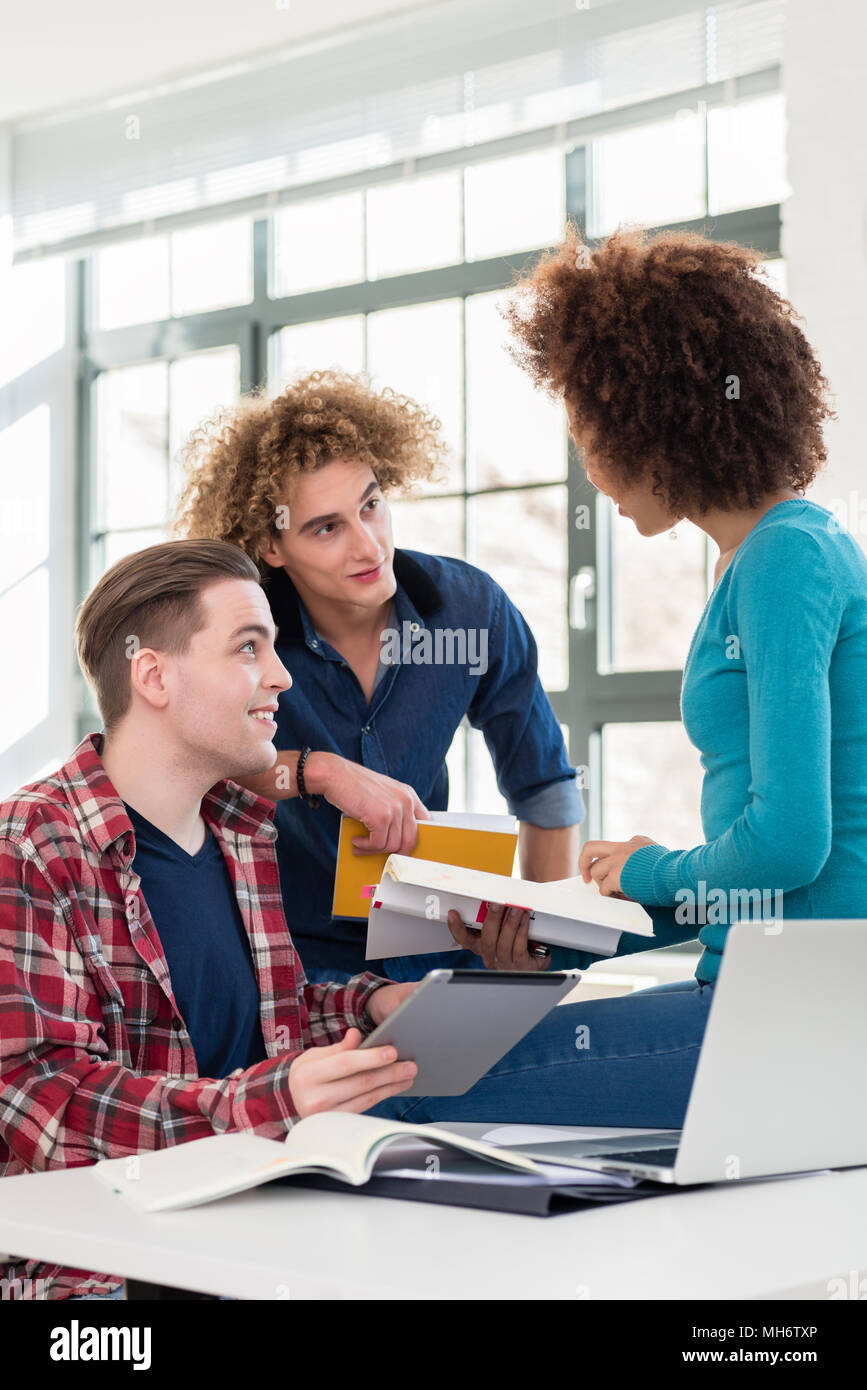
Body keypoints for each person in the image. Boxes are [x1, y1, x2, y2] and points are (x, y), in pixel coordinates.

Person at [361, 222, 867, 1129]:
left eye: (588, 436)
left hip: (791, 1014)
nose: (590, 471)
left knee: (402, 1088)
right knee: (414, 1073)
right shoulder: (768, 555)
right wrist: (589, 923)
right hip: (768, 989)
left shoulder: (786, 557)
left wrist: (648, 868)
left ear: (656, 420)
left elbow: (793, 847)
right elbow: (767, 878)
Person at [0, 540, 422, 1300]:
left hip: (261, 1230)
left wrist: (368, 1007)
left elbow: (263, 1020)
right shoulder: (29, 844)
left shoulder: (239, 831)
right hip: (105, 1271)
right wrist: (274, 1102)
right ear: (154, 676)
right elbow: (45, 1102)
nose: (281, 676)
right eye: (247, 649)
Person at [173, 371, 584, 982]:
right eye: (328, 527)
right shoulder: (237, 635)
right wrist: (318, 771)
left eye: (371, 506)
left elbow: (545, 789)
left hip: (433, 946)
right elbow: (195, 766)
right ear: (272, 544)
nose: (369, 547)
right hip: (281, 960)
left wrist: (544, 955)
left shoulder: (473, 611)